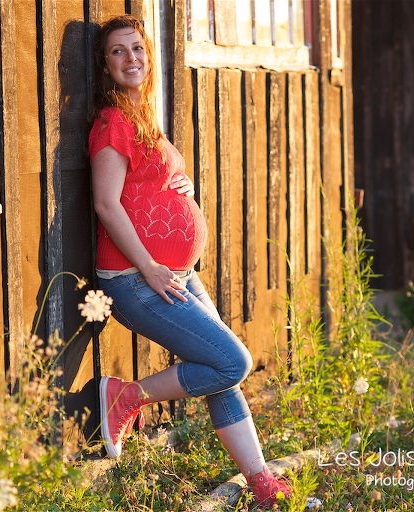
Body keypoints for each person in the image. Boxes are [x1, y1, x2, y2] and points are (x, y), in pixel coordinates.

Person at [88, 15, 291, 509]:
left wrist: (182, 188)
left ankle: (261, 482)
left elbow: (147, 185)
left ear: (149, 56)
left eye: (137, 48)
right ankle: (127, 396)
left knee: (220, 367)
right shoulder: (113, 121)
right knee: (232, 362)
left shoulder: (143, 117)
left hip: (173, 272)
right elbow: (106, 204)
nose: (131, 58)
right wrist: (151, 268)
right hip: (135, 277)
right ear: (105, 65)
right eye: (118, 51)